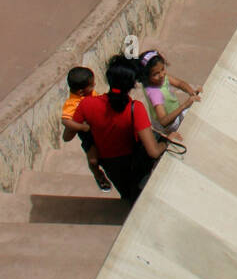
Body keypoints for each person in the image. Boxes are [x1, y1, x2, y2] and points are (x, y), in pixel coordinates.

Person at [66, 57, 167, 203]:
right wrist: (167, 141)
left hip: (112, 167)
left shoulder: (86, 104)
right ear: (132, 84)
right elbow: (154, 151)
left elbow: (68, 136)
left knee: (128, 196)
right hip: (134, 164)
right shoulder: (135, 108)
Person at [61, 66, 111, 191]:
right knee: (93, 160)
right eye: (91, 85)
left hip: (100, 130)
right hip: (88, 136)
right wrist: (82, 127)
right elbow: (66, 121)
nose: (94, 85)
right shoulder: (72, 104)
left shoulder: (91, 94)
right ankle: (98, 175)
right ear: (80, 92)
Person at [137, 49, 200, 143]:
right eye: (156, 74)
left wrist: (191, 91)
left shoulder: (158, 79)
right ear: (146, 77)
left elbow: (179, 83)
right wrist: (185, 105)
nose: (162, 75)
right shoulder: (155, 93)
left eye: (162, 69)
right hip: (171, 123)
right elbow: (164, 122)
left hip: (161, 116)